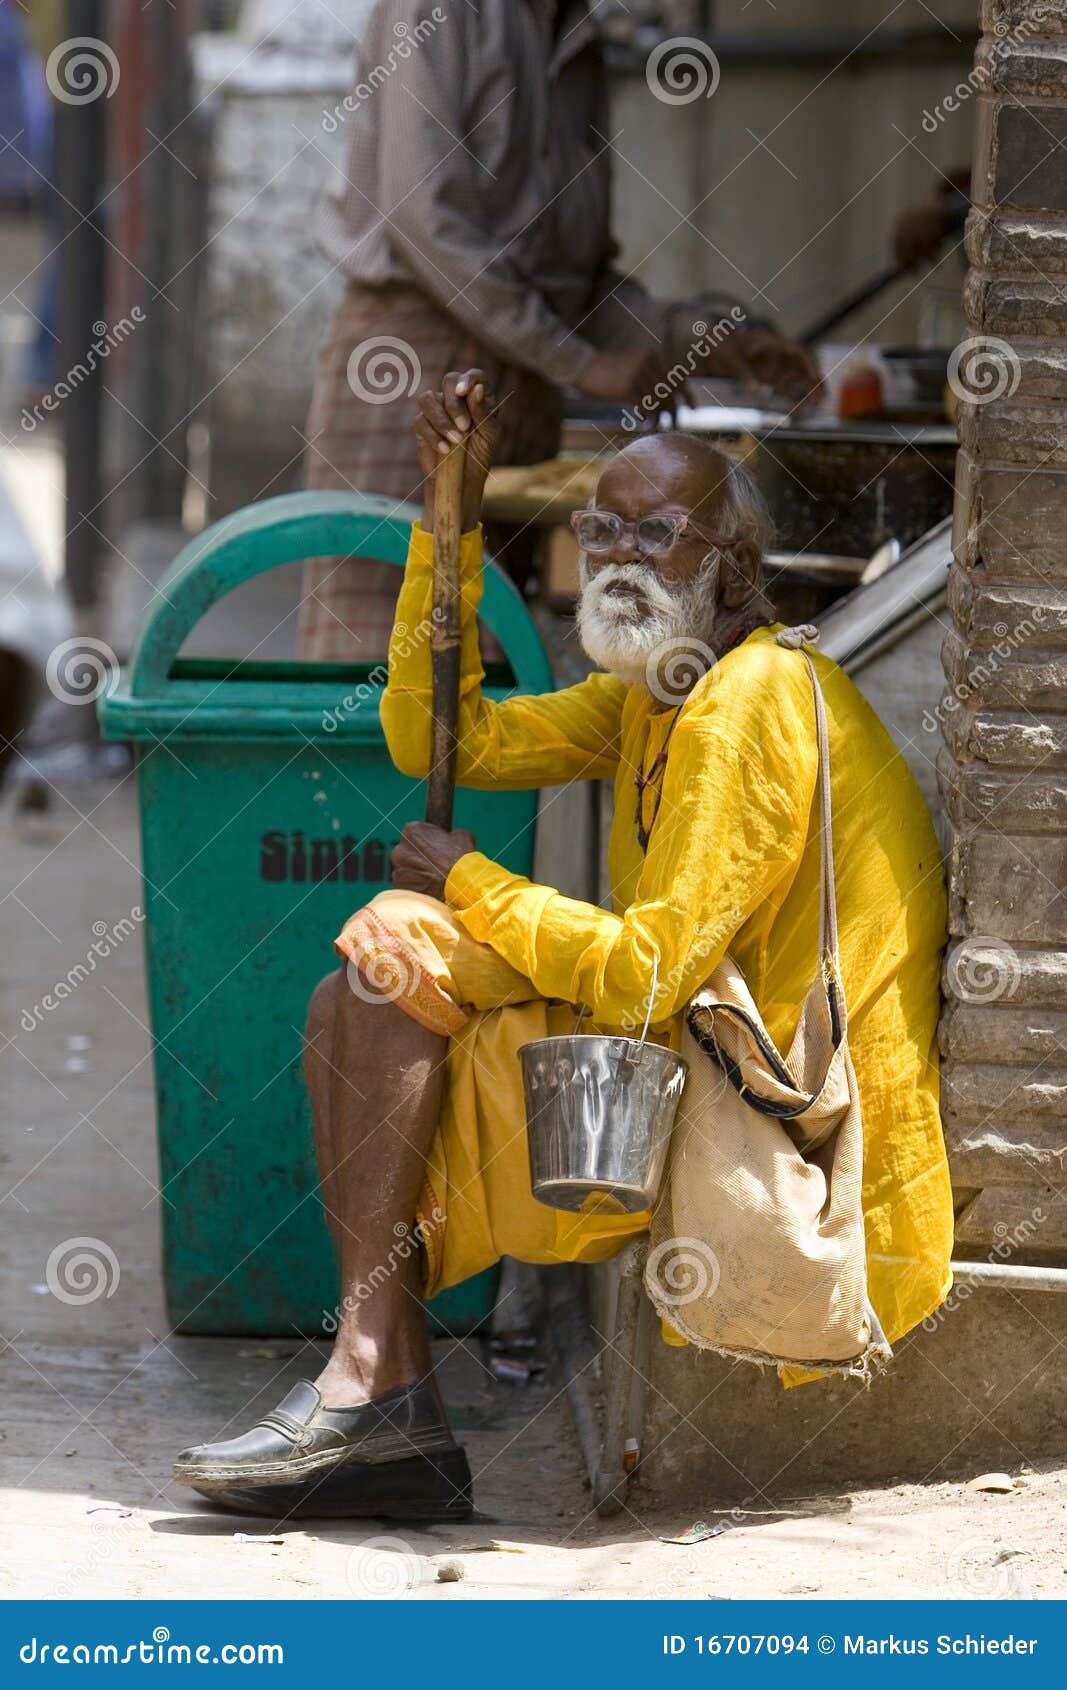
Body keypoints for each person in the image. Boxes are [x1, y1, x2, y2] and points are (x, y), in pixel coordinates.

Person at [175, 367, 953, 1522]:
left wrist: (469, 881)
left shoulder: (747, 700)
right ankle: (375, 1380)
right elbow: (434, 730)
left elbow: (645, 974)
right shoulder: (655, 691)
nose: (619, 556)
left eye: (658, 533)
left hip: (782, 1124)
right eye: (601, 531)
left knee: (397, 948)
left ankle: (377, 1391)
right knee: (371, 979)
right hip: (698, 1058)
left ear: (732, 569)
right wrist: (448, 521)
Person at [298, 0, 819, 660]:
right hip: (410, 362)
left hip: (522, 378)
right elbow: (425, 223)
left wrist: (706, 341)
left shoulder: (576, 33)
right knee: (382, 657)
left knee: (488, 662)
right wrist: (570, 359)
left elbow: (577, 284)